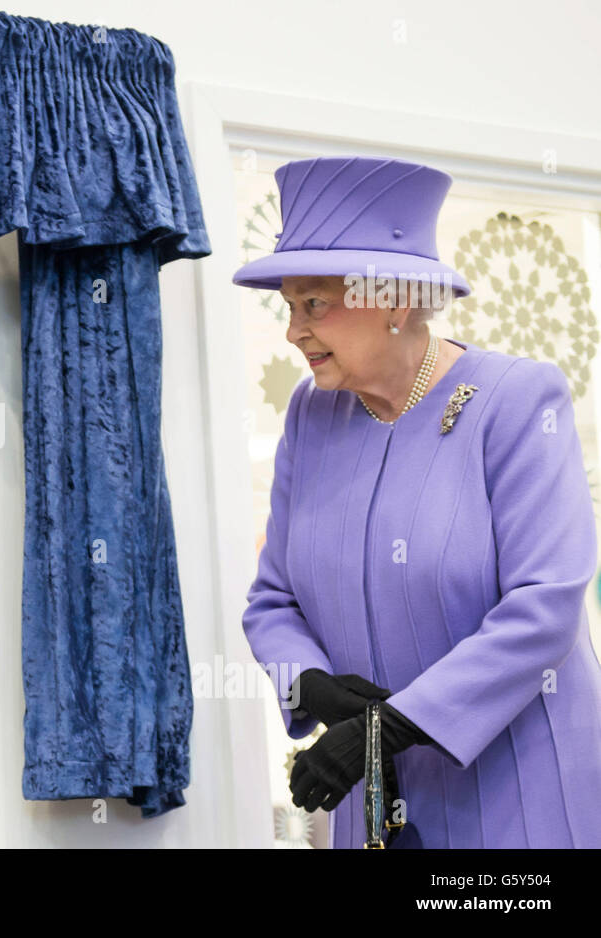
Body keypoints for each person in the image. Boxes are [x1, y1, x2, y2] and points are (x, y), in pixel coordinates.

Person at [232, 155, 601, 848]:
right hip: (375, 807)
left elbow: (544, 607)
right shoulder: (312, 417)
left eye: (315, 304)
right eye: (289, 307)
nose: (293, 331)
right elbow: (272, 600)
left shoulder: (516, 402)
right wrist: (309, 683)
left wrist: (387, 728)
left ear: (393, 300)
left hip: (520, 797)